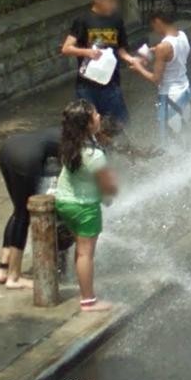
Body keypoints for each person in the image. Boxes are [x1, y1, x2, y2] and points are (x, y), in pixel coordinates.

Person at [54, 100, 119, 312]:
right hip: (85, 208)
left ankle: (83, 288)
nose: (99, 116)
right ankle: (88, 300)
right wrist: (110, 195)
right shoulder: (94, 155)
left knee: (81, 250)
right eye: (95, 115)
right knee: (86, 253)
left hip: (64, 202)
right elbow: (107, 185)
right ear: (87, 124)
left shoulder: (68, 144)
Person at [61, 0, 136, 127]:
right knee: (88, 125)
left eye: (115, 1)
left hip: (111, 83)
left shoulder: (116, 20)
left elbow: (121, 49)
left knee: (120, 124)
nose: (113, 5)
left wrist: (131, 60)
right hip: (86, 86)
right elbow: (66, 48)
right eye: (110, 1)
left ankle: (118, 148)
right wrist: (87, 52)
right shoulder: (83, 20)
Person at [0, 128, 59, 289]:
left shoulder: (66, 129)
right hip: (26, 158)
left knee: (18, 210)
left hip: (8, 149)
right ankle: (14, 277)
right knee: (24, 215)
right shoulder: (79, 143)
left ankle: (3, 269)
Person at [128, 9, 191, 142]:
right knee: (184, 133)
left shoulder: (163, 47)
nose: (153, 29)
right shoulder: (182, 35)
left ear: (158, 21)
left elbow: (156, 79)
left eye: (152, 25)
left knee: (171, 139)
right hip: (185, 90)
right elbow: (171, 55)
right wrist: (156, 52)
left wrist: (139, 67)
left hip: (170, 96)